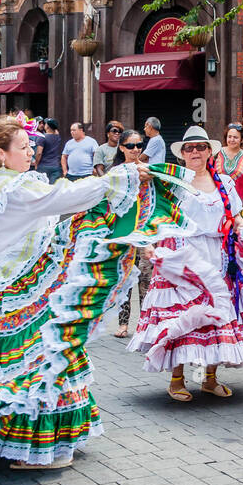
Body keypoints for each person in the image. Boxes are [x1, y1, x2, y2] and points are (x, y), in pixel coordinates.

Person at [0, 117, 193, 468]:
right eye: (23, 148)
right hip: (15, 288)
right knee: (38, 359)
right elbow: (63, 196)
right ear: (1, 153)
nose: (31, 152)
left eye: (31, 146)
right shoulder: (16, 188)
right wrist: (123, 177)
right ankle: (41, 448)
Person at [130, 125, 243, 401]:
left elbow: (234, 216)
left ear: (209, 152)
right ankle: (177, 379)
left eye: (201, 147)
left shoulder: (224, 183)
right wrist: (147, 243)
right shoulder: (171, 181)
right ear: (182, 153)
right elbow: (148, 211)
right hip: (182, 256)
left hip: (218, 256)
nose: (195, 152)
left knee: (218, 314)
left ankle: (210, 378)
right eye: (190, 148)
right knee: (183, 315)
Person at [112, 128, 155, 339]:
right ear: (122, 148)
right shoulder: (116, 172)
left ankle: (145, 326)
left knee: (146, 280)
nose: (135, 149)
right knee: (126, 280)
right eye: (130, 146)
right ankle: (123, 324)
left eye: (139, 145)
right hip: (125, 233)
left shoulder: (148, 171)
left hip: (146, 232)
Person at [213, 121, 243, 224]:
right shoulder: (216, 155)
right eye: (229, 137)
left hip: (241, 209)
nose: (232, 140)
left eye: (235, 137)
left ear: (242, 139)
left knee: (239, 237)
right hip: (219, 206)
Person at [33, 117, 64, 182]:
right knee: (53, 188)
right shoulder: (58, 137)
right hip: (55, 166)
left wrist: (36, 164)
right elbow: (56, 131)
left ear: (47, 126)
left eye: (45, 123)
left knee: (43, 187)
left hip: (44, 166)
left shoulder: (42, 138)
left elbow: (39, 153)